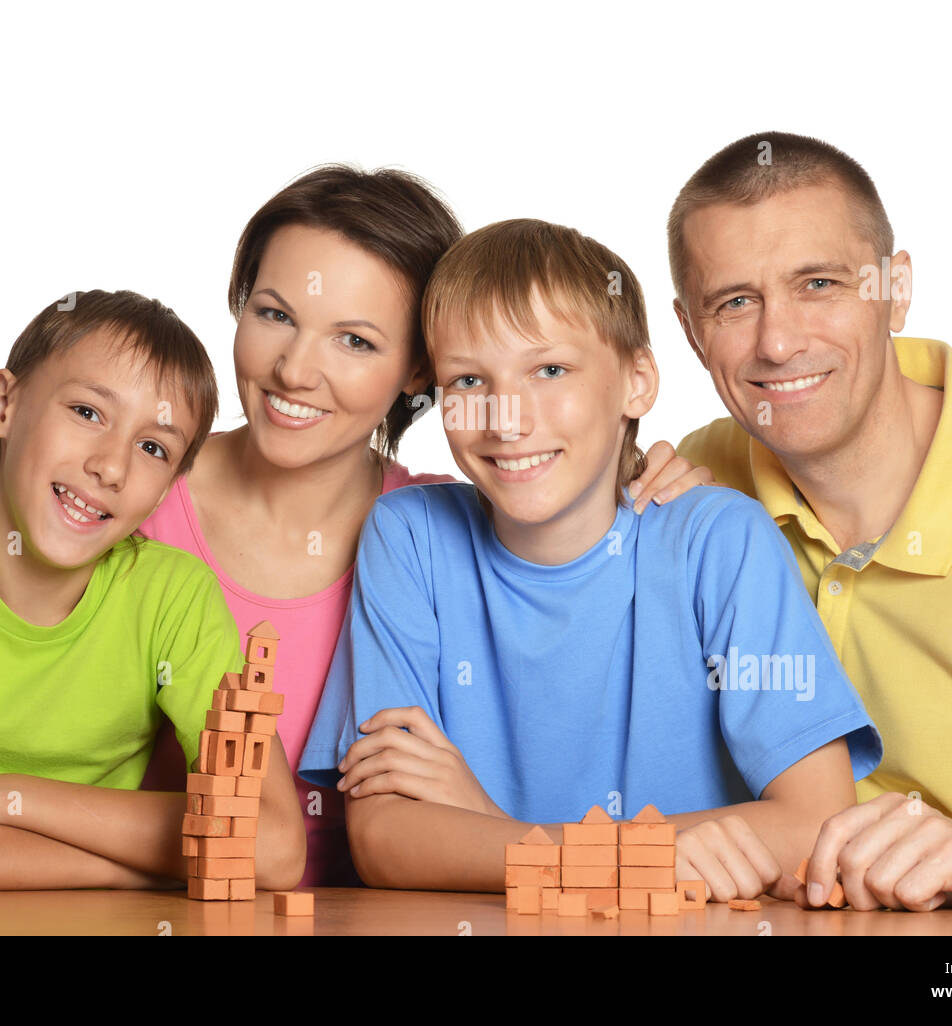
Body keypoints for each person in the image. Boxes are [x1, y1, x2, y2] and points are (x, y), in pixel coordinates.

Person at [135, 167, 704, 886]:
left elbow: (581, 494)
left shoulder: (444, 534)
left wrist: (672, 485)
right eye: (275, 314)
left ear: (418, 370)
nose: (295, 370)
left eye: (356, 341)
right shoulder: (130, 500)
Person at [298, 218, 882, 899]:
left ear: (637, 382)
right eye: (468, 381)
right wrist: (638, 856)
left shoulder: (720, 541)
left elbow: (817, 825)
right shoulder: (410, 538)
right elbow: (385, 842)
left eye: (549, 369)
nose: (507, 419)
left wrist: (490, 826)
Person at [666, 131, 952, 910]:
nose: (777, 341)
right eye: (735, 302)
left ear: (895, 288)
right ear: (690, 331)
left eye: (819, 284)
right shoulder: (699, 486)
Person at [0, 290, 305, 891]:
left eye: (153, 447)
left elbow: (275, 848)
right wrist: (117, 868)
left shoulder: (174, 597)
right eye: (87, 412)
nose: (111, 466)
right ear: (3, 404)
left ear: (166, 488)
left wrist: (8, 798)